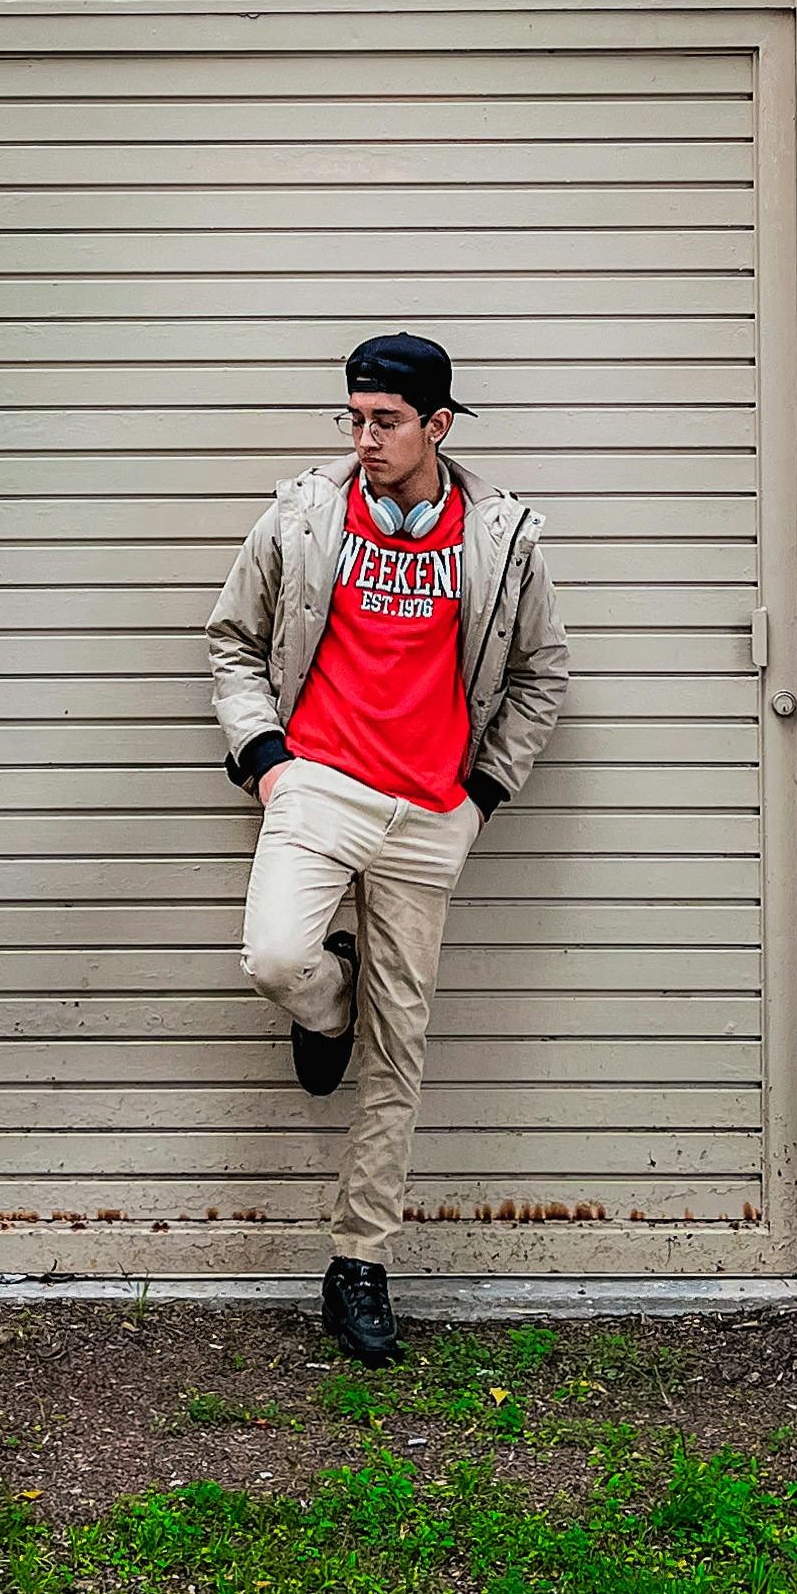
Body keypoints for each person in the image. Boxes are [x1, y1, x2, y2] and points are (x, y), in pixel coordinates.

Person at [203, 332, 572, 1364]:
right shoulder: (304, 514)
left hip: (427, 814)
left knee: (399, 1053)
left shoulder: (498, 539)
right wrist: (267, 757)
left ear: (437, 425)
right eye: (352, 419)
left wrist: (483, 793)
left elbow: (543, 676)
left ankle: (357, 1264)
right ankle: (328, 1000)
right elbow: (231, 642)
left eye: (386, 421)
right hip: (316, 786)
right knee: (276, 956)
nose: (364, 439)